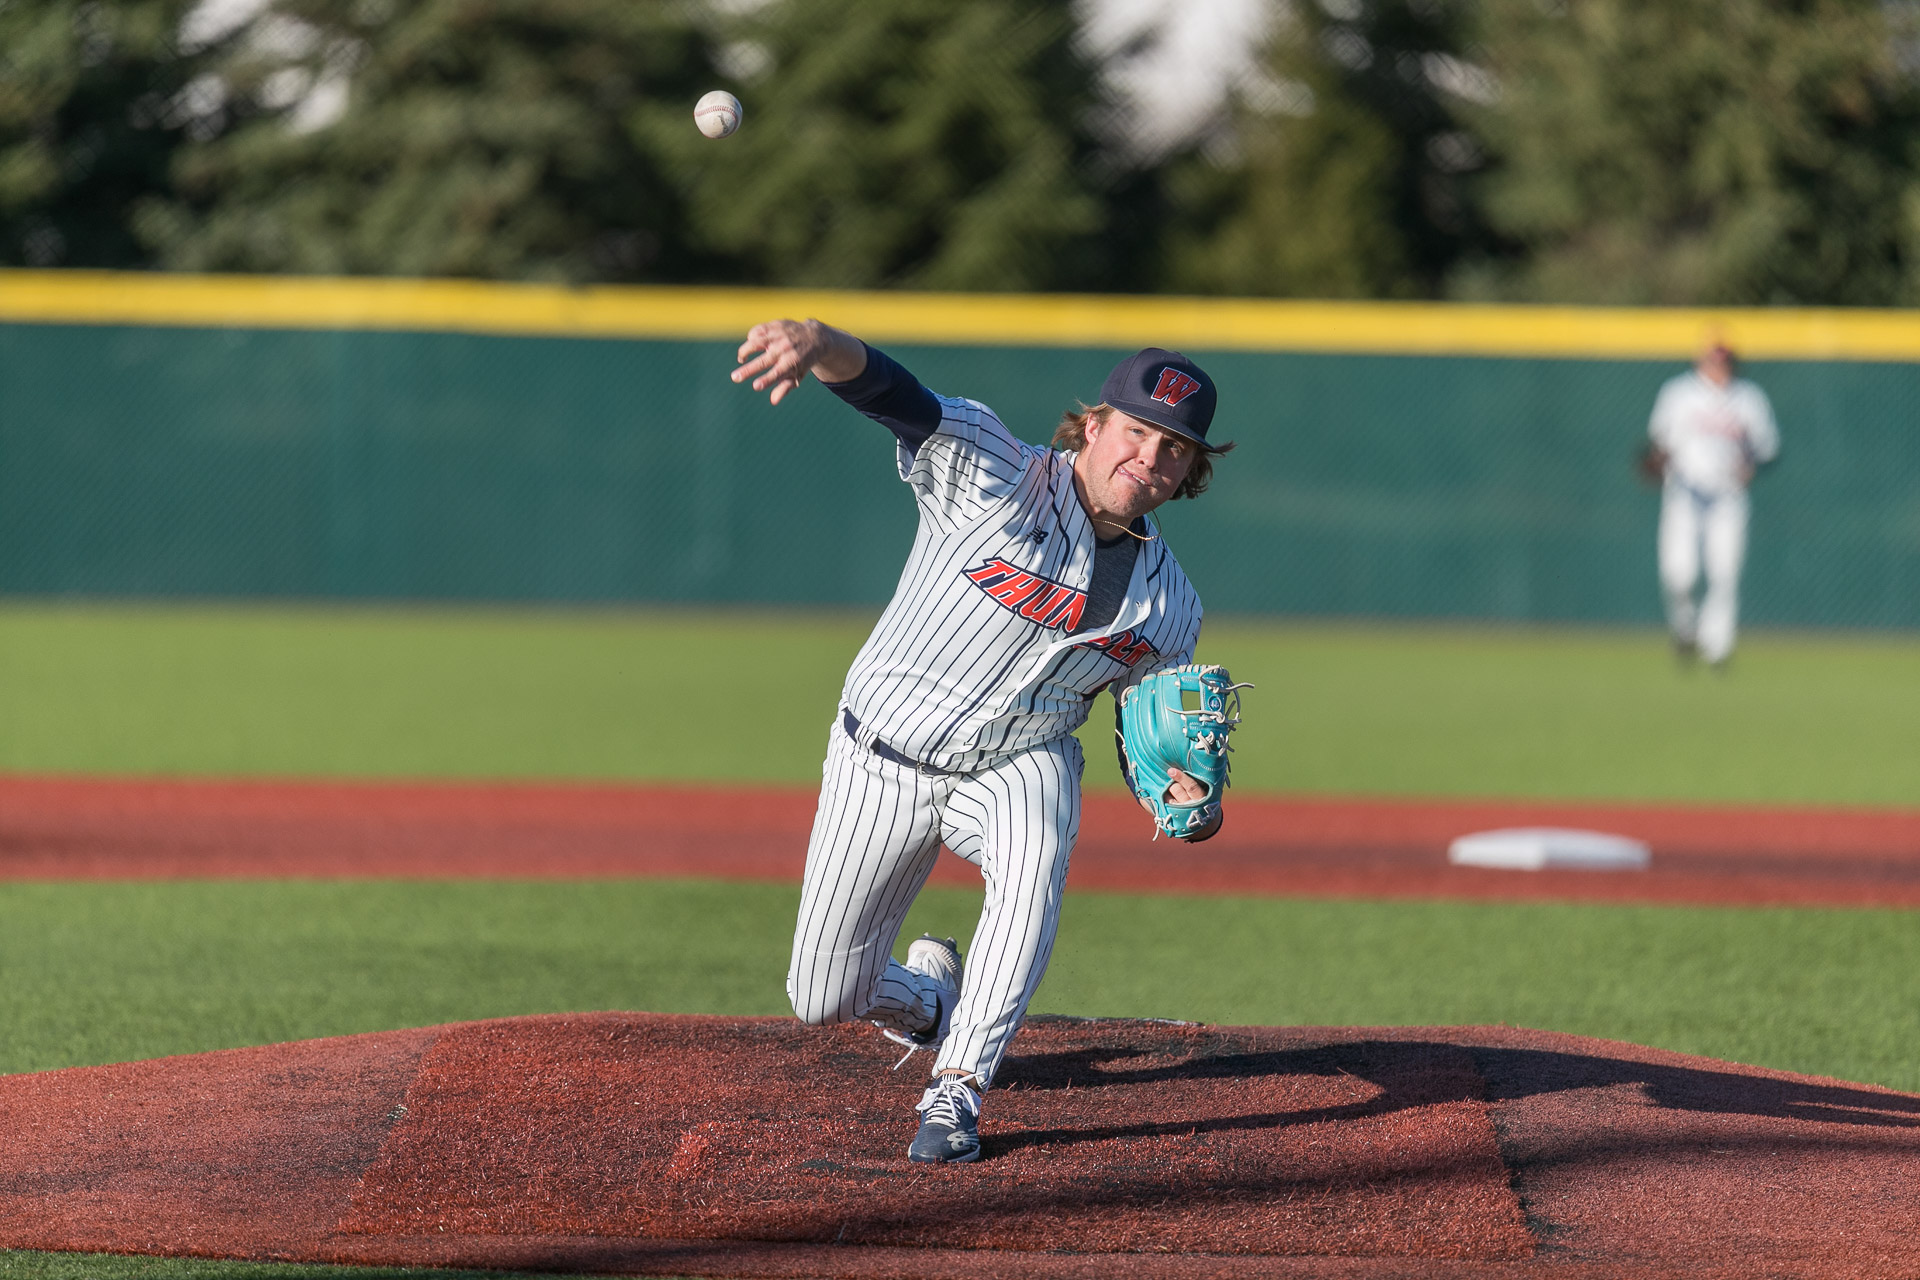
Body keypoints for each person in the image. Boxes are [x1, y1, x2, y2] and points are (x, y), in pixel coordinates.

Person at [732, 319, 1232, 1163]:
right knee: (823, 995)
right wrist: (819, 343)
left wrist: (1182, 789)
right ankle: (929, 1004)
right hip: (878, 758)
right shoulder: (995, 470)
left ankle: (957, 1087)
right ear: (1093, 427)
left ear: (1190, 473)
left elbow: (1144, 729)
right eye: (1138, 431)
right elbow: (896, 397)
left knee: (1035, 855)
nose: (1150, 457)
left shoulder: (1171, 604)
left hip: (1016, 760)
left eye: (1175, 448)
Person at [1645, 341, 1779, 667]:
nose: (1718, 367)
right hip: (1684, 495)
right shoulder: (1678, 394)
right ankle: (1686, 629)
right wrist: (1657, 461)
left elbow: (1767, 448)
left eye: (1724, 362)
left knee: (1725, 573)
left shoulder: (1749, 398)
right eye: (1712, 361)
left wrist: (1753, 466)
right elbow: (1658, 442)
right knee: (1679, 574)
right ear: (1700, 361)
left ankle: (1717, 647)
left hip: (1728, 497)